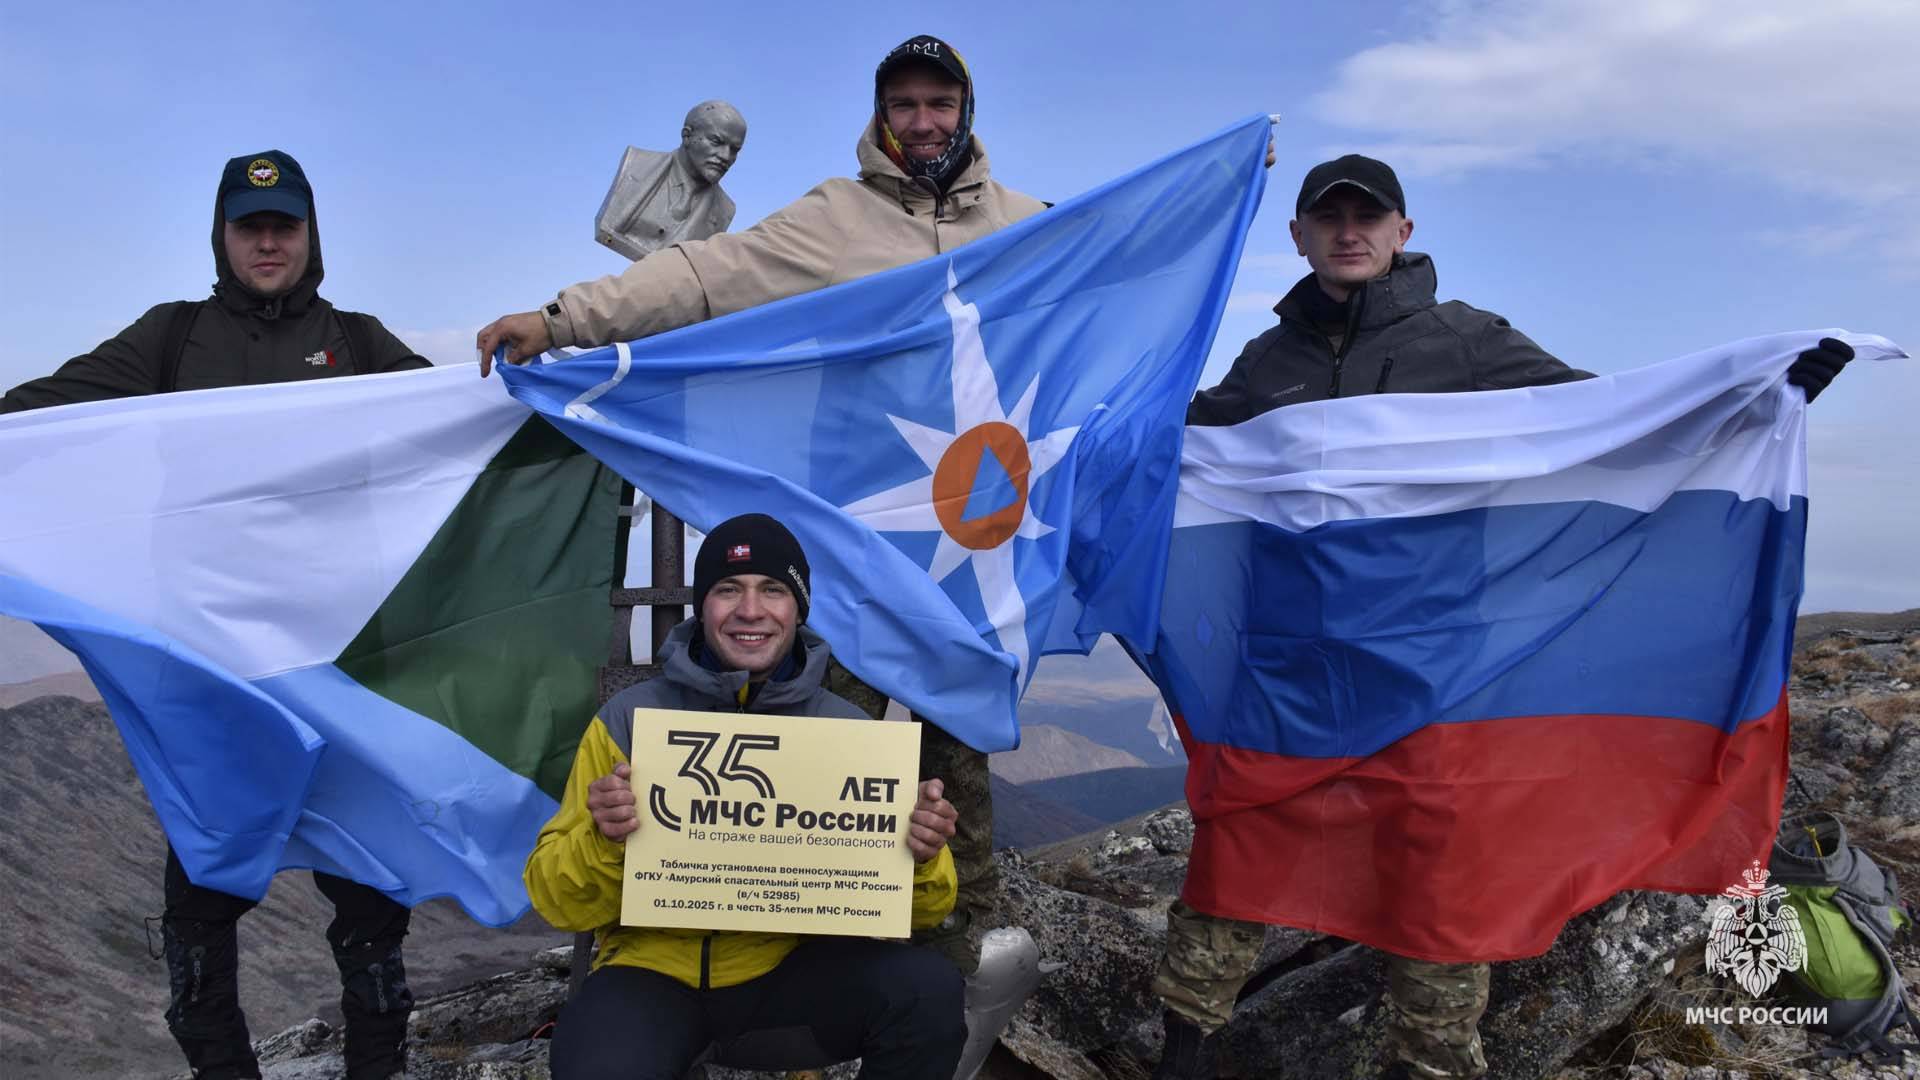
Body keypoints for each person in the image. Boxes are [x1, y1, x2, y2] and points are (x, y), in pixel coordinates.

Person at [1156, 154, 1854, 1080]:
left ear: (1404, 232)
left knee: (1440, 877)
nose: (1350, 230)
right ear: (1298, 236)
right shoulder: (1266, 361)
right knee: (1235, 851)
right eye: (1329, 217)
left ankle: (1431, 1061)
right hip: (1296, 665)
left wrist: (1761, 393)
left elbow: (1613, 420)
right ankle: (1181, 1052)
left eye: (1371, 215)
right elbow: (1182, 449)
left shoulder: (1468, 340)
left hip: (1442, 665)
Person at [479, 33, 1049, 971]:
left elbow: (1122, 255)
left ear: (966, 112)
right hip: (855, 539)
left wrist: (1212, 187)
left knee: (958, 760)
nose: (921, 122)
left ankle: (950, 969)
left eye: (938, 104)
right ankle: (799, 970)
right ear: (880, 117)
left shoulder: (1025, 223)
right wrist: (563, 319)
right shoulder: (836, 218)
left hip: (971, 546)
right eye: (902, 105)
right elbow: (706, 274)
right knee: (822, 752)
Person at [2, 150, 429, 1080]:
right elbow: (43, 413)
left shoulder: (359, 343)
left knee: (367, 905)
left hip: (338, 661)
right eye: (250, 225)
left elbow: (465, 420)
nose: (268, 241)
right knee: (200, 905)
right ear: (223, 234)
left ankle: (377, 1071)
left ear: (311, 234)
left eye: (285, 225)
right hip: (210, 664)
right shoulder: (171, 338)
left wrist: (564, 382)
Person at [525, 513, 966, 1079]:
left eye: (773, 590)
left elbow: (924, 910)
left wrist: (923, 856)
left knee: (927, 993)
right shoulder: (629, 722)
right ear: (702, 606)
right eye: (727, 589)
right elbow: (554, 898)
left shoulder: (853, 734)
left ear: (797, 608)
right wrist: (604, 840)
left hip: (788, 975)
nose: (750, 610)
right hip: (650, 977)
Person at [595, 100, 748, 260]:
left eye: (734, 150)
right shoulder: (636, 164)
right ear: (687, 136)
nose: (725, 156)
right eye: (716, 142)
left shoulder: (724, 210)